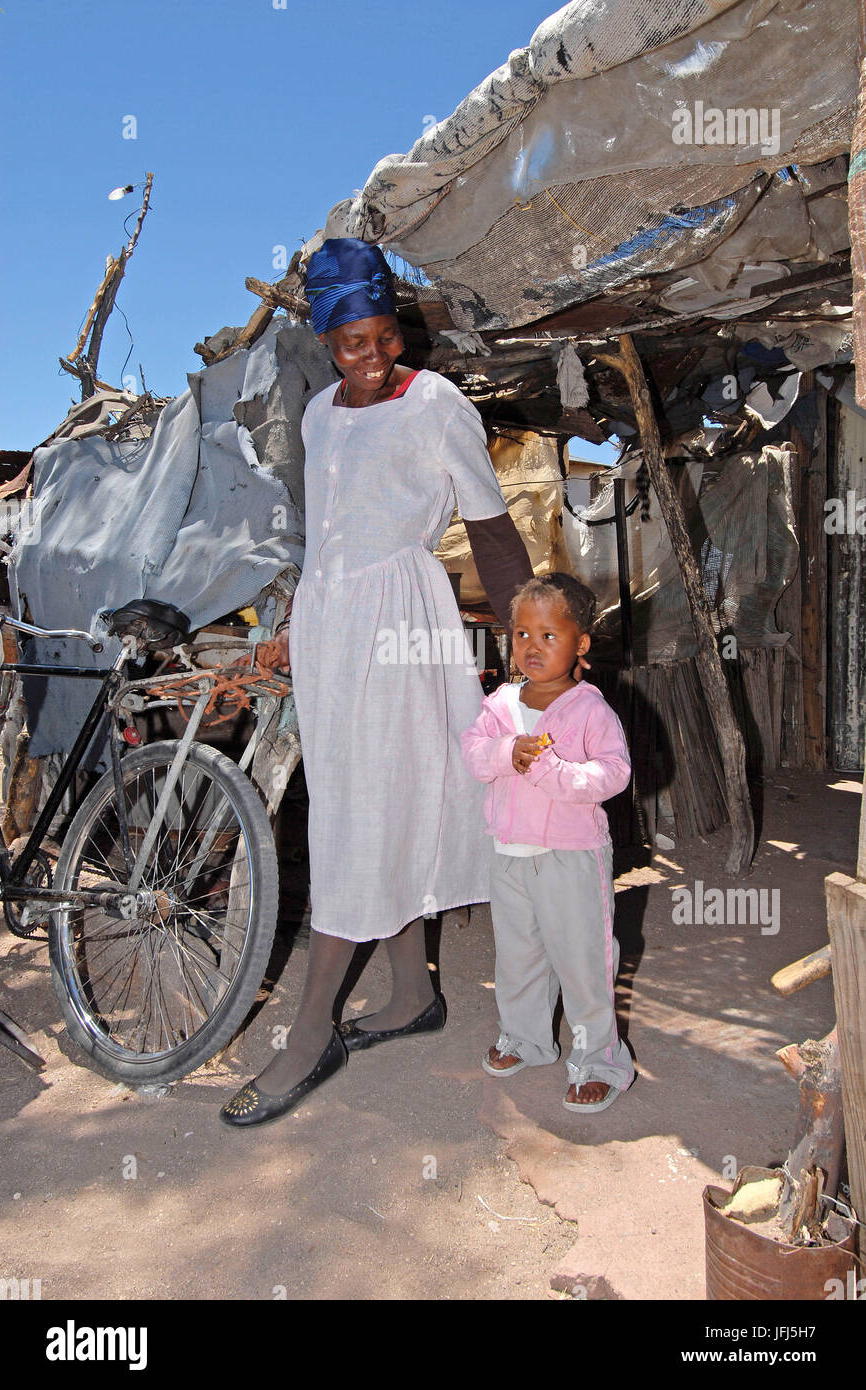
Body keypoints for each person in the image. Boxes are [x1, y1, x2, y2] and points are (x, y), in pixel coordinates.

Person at [221, 237, 534, 1127]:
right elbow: (331, 538)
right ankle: (409, 997)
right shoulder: (319, 414)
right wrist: (291, 625)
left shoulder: (438, 405)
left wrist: (533, 642)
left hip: (401, 625)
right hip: (329, 626)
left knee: (358, 819)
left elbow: (490, 525)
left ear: (396, 326)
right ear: (324, 338)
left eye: (383, 334)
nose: (372, 353)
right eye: (350, 340)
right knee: (366, 806)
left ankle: (310, 1030)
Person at [460, 572, 634, 1112]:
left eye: (549, 636)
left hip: (570, 857)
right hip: (509, 855)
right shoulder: (501, 703)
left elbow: (614, 774)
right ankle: (527, 1039)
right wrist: (506, 751)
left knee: (584, 961)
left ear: (581, 643)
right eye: (521, 635)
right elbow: (473, 751)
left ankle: (599, 1060)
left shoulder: (589, 710)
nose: (532, 648)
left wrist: (552, 773)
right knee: (517, 958)